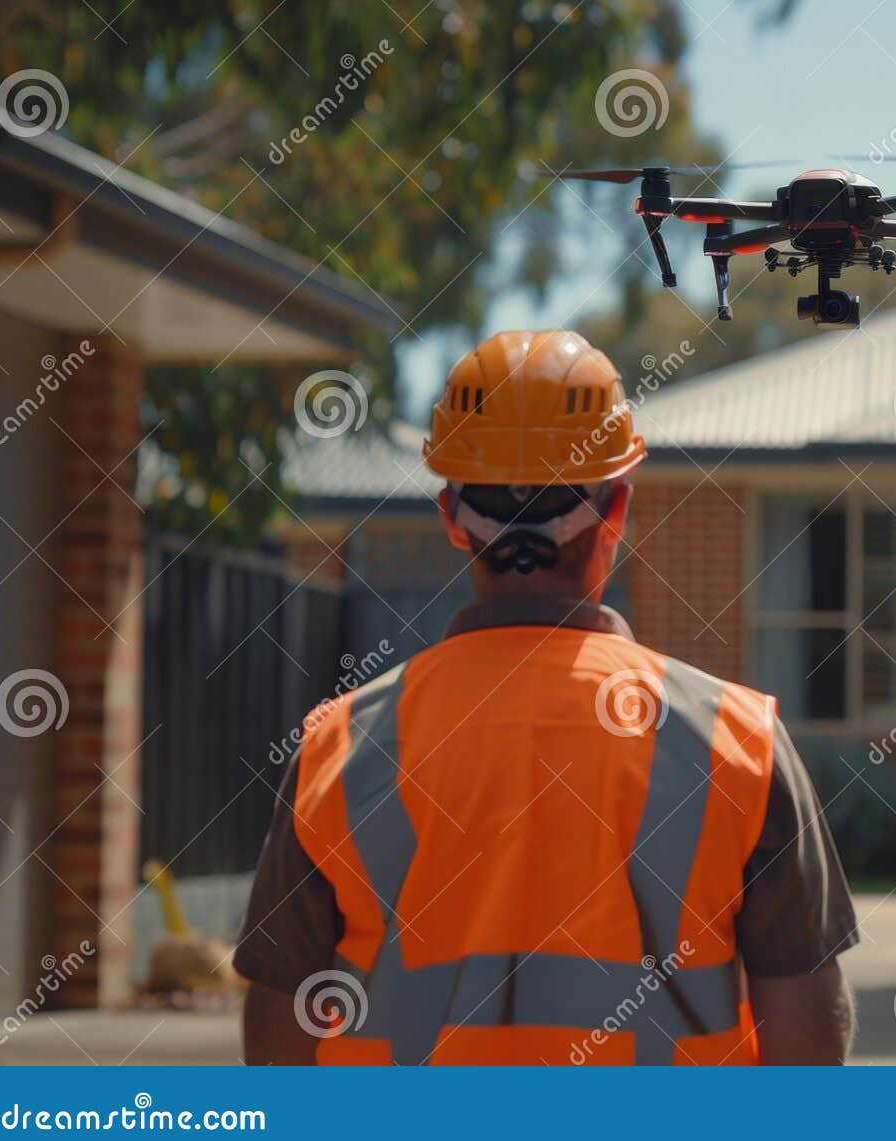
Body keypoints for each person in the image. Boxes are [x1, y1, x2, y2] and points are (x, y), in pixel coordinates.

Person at [236, 330, 858, 1065]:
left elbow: (278, 1051)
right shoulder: (737, 740)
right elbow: (808, 1048)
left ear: (451, 515)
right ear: (617, 507)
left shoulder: (337, 747)